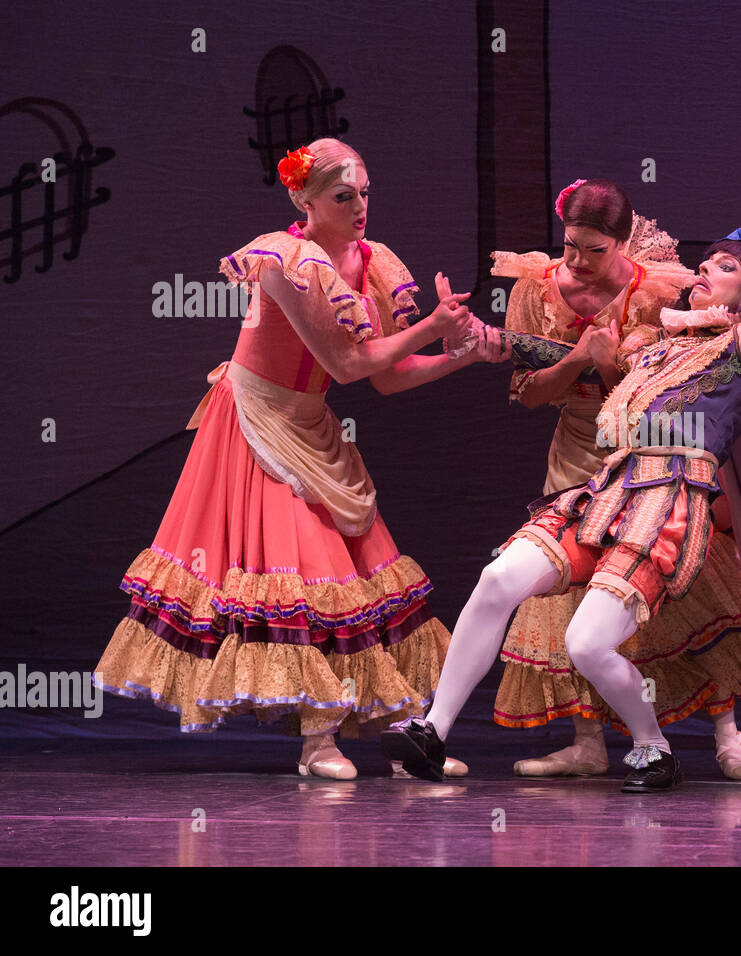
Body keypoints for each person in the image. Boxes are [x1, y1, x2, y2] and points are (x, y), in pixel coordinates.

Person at [94, 138, 500, 779]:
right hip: (258, 423)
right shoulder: (285, 260)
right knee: (309, 571)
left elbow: (387, 379)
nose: (361, 207)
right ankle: (317, 744)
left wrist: (461, 354)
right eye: (344, 196)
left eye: (365, 193)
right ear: (302, 200)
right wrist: (434, 329)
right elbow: (347, 363)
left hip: (310, 423)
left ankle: (403, 741)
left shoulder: (375, 262)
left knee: (367, 573)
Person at [383, 227, 741, 792]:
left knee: (587, 642)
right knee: (498, 578)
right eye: (706, 262)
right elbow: (552, 354)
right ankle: (432, 730)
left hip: (668, 502)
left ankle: (652, 747)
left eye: (724, 267)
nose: (704, 272)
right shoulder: (656, 345)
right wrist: (484, 335)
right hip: (605, 490)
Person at [491, 181, 741, 780]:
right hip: (582, 443)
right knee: (571, 589)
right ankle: (589, 739)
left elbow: (680, 360)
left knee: (684, 577)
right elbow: (525, 394)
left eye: (593, 250)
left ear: (621, 244)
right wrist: (576, 359)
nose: (576, 261)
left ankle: (726, 731)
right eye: (570, 246)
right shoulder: (534, 286)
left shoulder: (660, 287)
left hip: (657, 442)